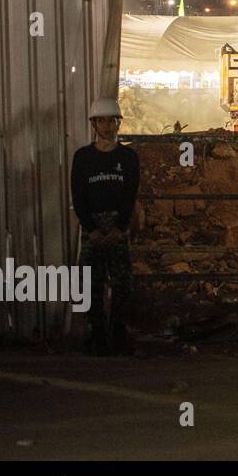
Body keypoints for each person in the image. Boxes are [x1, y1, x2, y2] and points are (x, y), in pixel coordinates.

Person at [71, 98, 141, 354]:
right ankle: (97, 334)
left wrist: (119, 227)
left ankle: (119, 333)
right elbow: (78, 196)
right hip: (93, 227)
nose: (108, 126)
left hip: (116, 226)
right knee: (90, 283)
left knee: (122, 282)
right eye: (102, 120)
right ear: (93, 124)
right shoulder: (83, 158)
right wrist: (91, 229)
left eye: (112, 120)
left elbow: (130, 194)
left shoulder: (128, 157)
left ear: (118, 123)